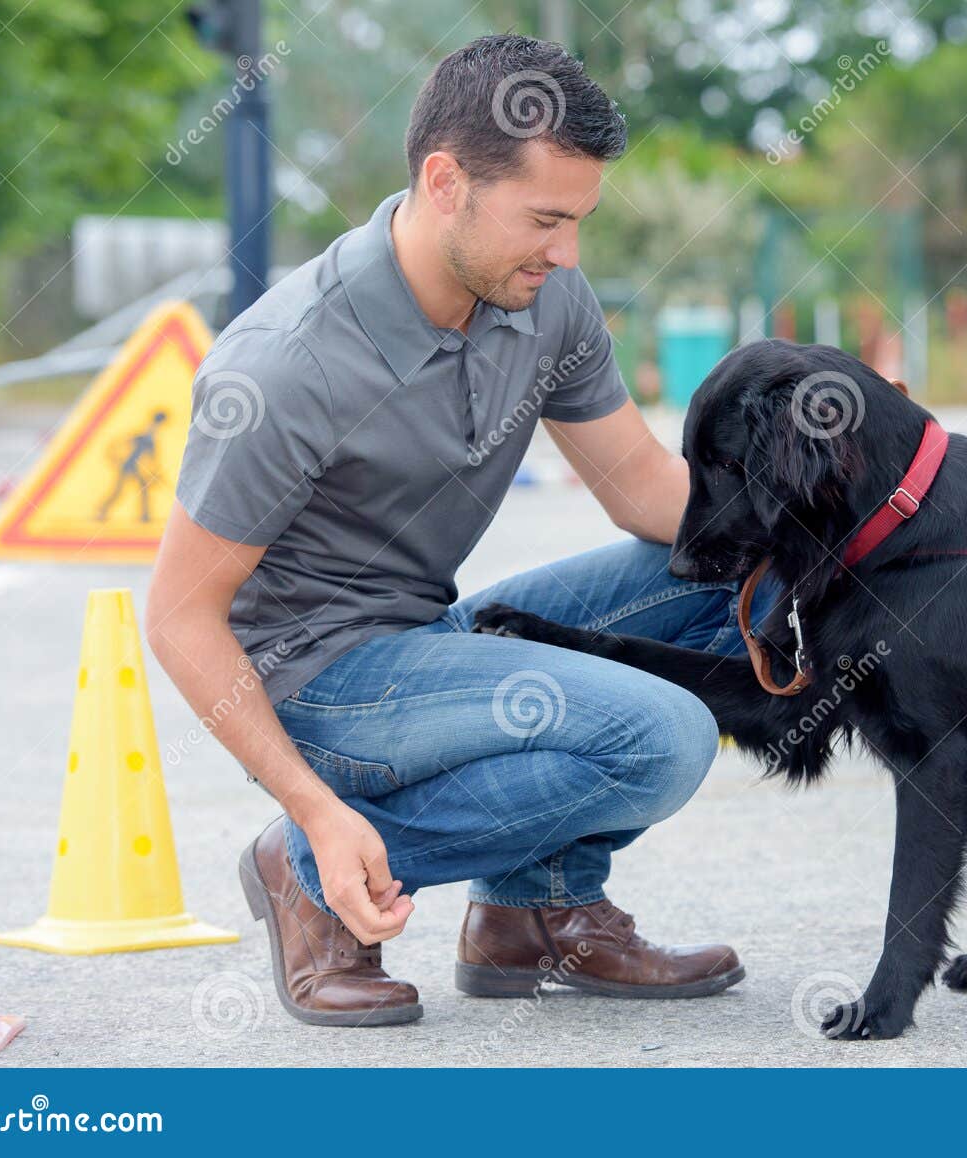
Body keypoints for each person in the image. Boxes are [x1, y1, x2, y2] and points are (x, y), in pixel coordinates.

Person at [146, 34, 762, 1027]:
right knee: (661, 737)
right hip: (314, 680)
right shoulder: (284, 366)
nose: (566, 255)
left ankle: (531, 916)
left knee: (758, 577)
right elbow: (179, 618)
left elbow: (645, 490)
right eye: (546, 220)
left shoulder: (543, 299)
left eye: (579, 222)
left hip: (427, 641)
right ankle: (305, 865)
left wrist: (835, 516)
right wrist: (312, 805)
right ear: (445, 183)